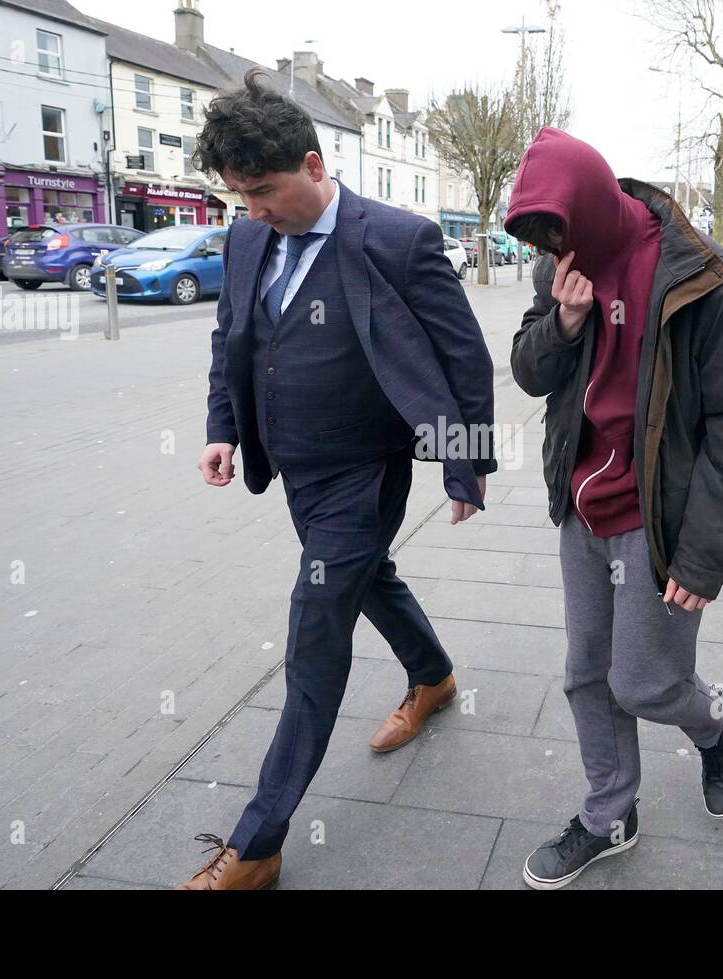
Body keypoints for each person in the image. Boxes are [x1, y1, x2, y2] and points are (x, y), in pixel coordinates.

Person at [181, 70, 497, 890]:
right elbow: (232, 340)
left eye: (262, 190)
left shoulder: (398, 238)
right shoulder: (248, 237)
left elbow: (463, 357)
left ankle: (257, 845)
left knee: (316, 630)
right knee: (366, 578)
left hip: (368, 468)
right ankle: (433, 675)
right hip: (294, 470)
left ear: (315, 166)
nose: (251, 209)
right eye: (238, 195)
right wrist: (223, 426)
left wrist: (465, 462)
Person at [505, 128, 723, 890]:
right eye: (544, 248)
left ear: (594, 209)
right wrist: (562, 323)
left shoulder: (707, 281)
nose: (557, 260)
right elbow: (528, 370)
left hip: (660, 520)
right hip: (581, 509)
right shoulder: (560, 268)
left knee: (646, 681)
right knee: (587, 672)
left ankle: (714, 721)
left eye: (562, 240)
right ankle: (609, 813)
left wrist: (705, 554)